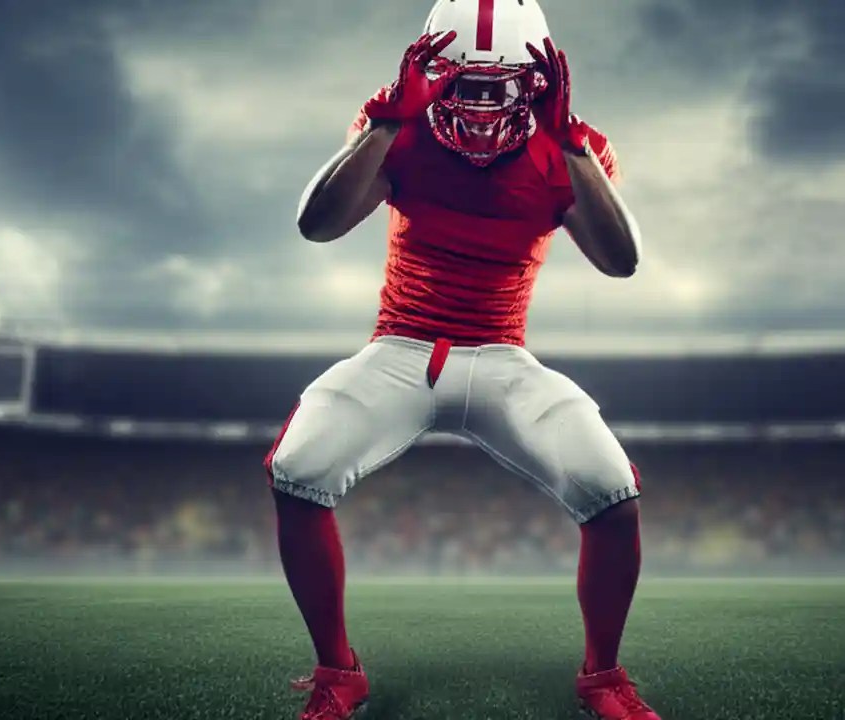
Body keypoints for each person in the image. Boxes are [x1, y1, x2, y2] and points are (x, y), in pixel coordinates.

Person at [265, 1, 655, 717]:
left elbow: (620, 261)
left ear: (536, 83)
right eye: (461, 84)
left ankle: (603, 676)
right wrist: (387, 124)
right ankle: (338, 672)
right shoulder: (398, 126)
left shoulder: (571, 146)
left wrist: (571, 147)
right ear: (434, 73)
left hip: (502, 354)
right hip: (402, 345)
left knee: (612, 491)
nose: (476, 103)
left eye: (494, 86)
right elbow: (318, 225)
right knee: (298, 469)